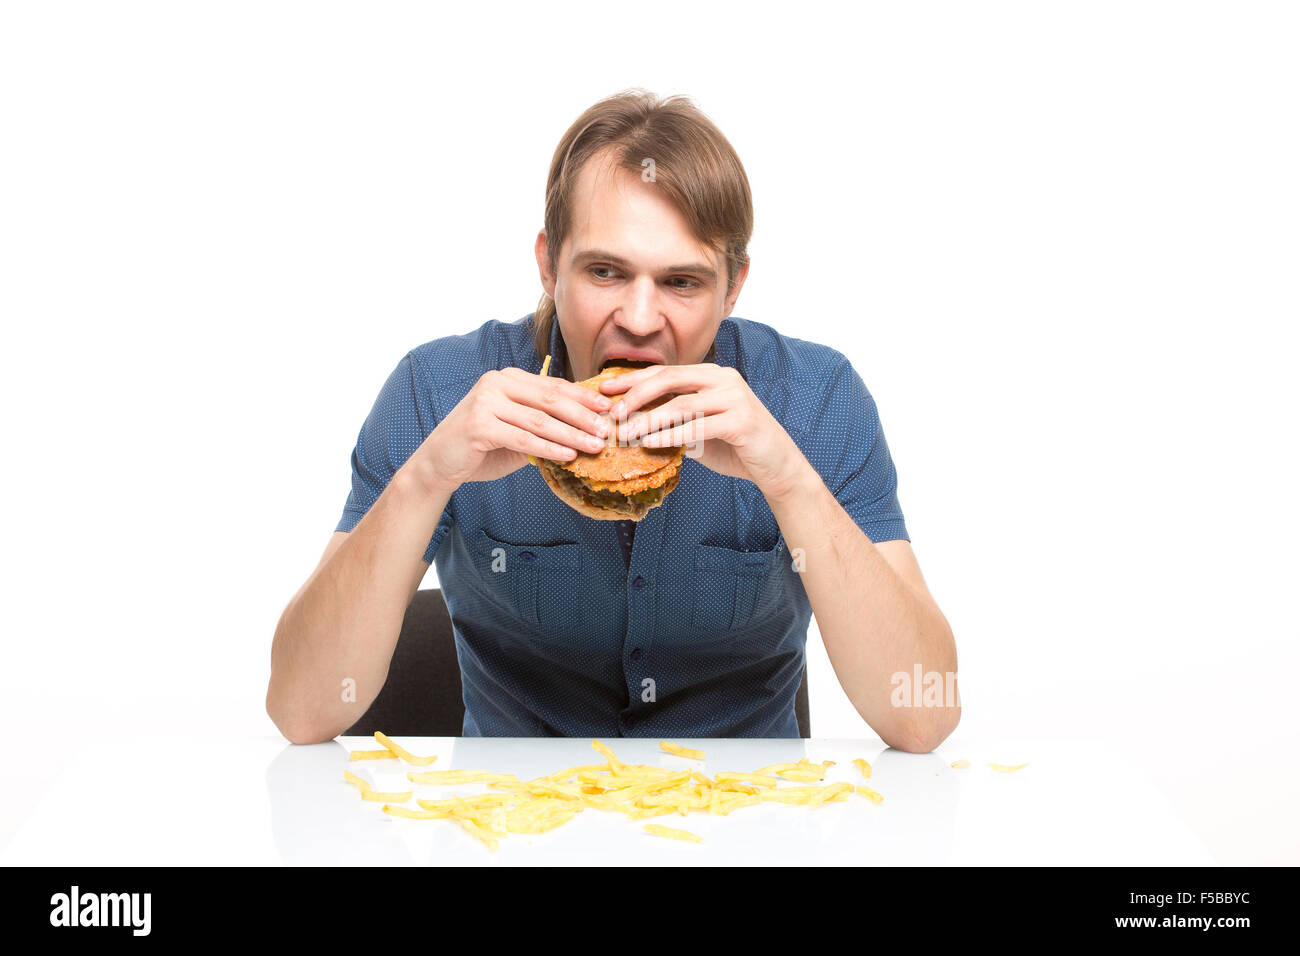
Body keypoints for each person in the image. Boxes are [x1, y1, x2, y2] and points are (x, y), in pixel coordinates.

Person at [266, 89, 959, 750]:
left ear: (734, 287)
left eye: (682, 282)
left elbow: (921, 720)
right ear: (548, 265)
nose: (637, 318)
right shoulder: (438, 390)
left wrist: (788, 480)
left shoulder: (817, 398)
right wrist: (425, 480)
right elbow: (300, 710)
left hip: (748, 829)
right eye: (604, 272)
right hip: (515, 829)